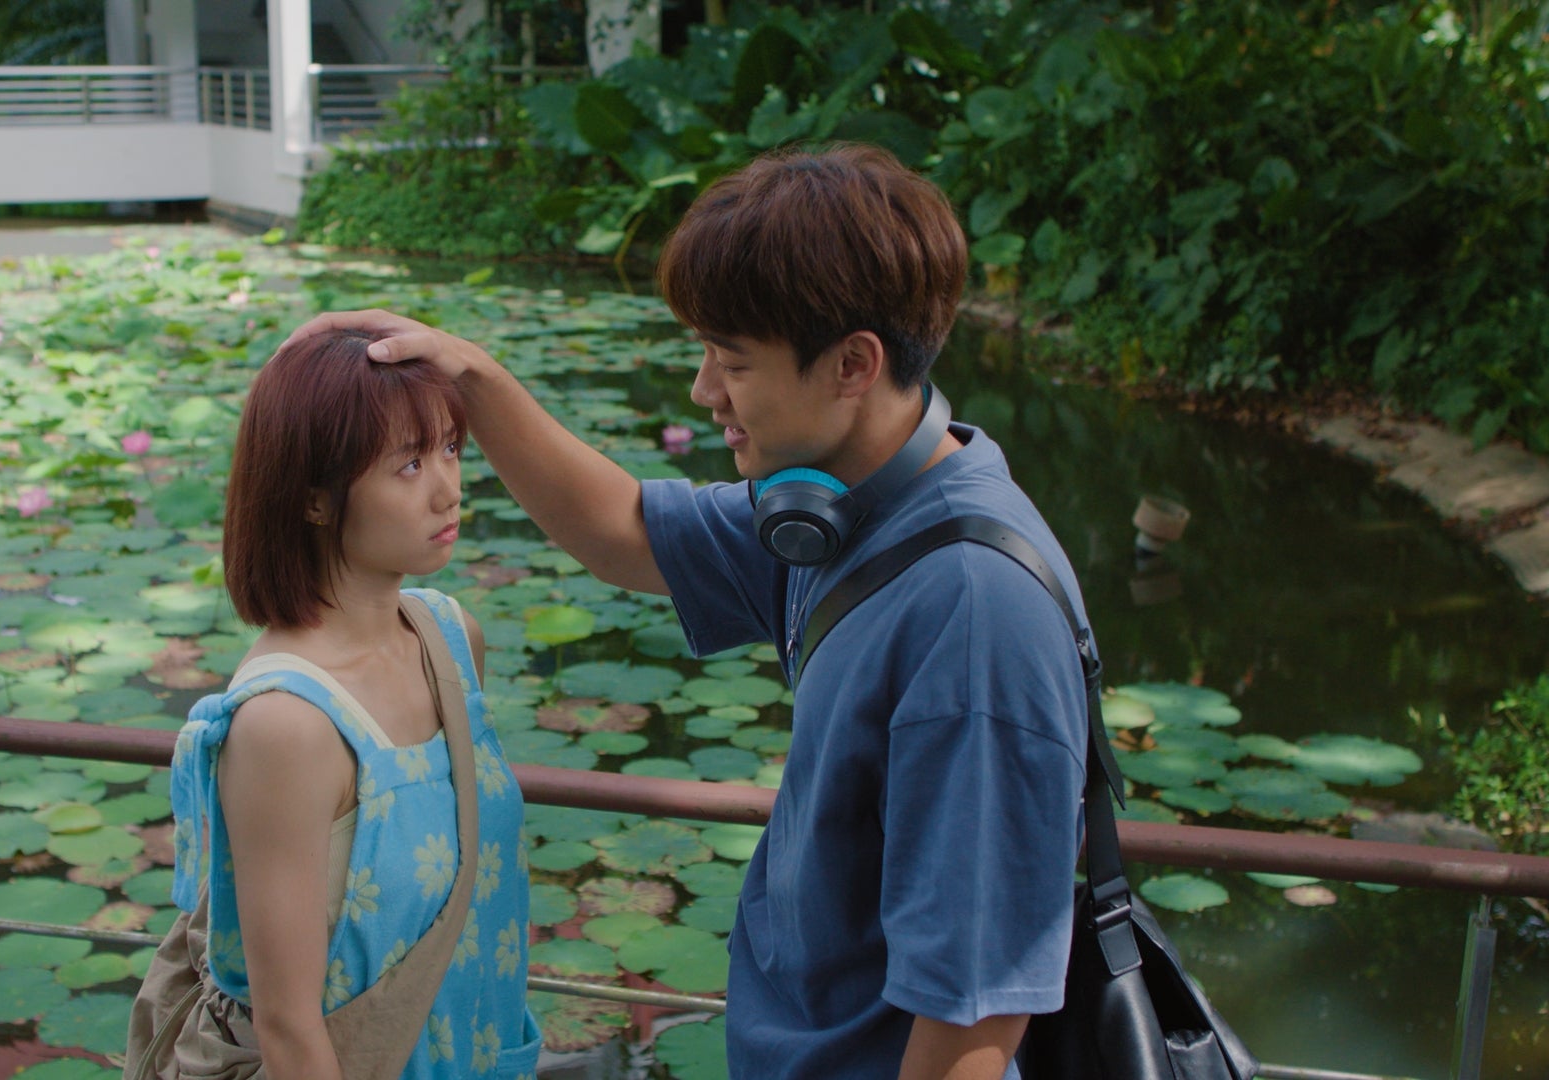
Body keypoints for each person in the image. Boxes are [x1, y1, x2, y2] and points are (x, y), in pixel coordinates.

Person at [280, 144, 1088, 1080]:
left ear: (853, 364)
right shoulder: (840, 509)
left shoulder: (974, 615)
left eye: (733, 362)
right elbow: (627, 531)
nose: (704, 391)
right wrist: (473, 379)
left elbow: (973, 1020)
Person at [128, 330, 542, 1080]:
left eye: (451, 449)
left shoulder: (452, 640)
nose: (448, 489)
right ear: (314, 499)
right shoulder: (287, 723)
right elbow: (289, 1029)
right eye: (409, 464)